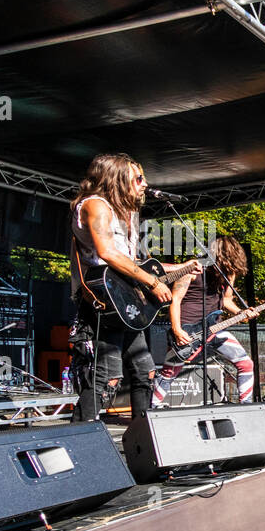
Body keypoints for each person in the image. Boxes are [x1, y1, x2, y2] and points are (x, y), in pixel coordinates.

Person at [68, 152, 200, 422]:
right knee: (105, 377)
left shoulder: (127, 213)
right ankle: (80, 439)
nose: (144, 183)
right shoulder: (96, 205)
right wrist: (152, 282)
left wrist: (180, 268)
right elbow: (107, 253)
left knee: (145, 371)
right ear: (116, 178)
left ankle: (143, 438)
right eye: (138, 178)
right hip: (103, 303)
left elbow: (133, 262)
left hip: (126, 303)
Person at [152, 235, 258, 407]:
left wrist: (241, 312)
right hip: (187, 326)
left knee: (245, 363)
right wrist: (177, 330)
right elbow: (175, 300)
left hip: (215, 328)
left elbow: (227, 300)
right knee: (170, 370)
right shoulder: (194, 268)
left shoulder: (228, 274)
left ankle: (246, 405)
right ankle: (152, 407)